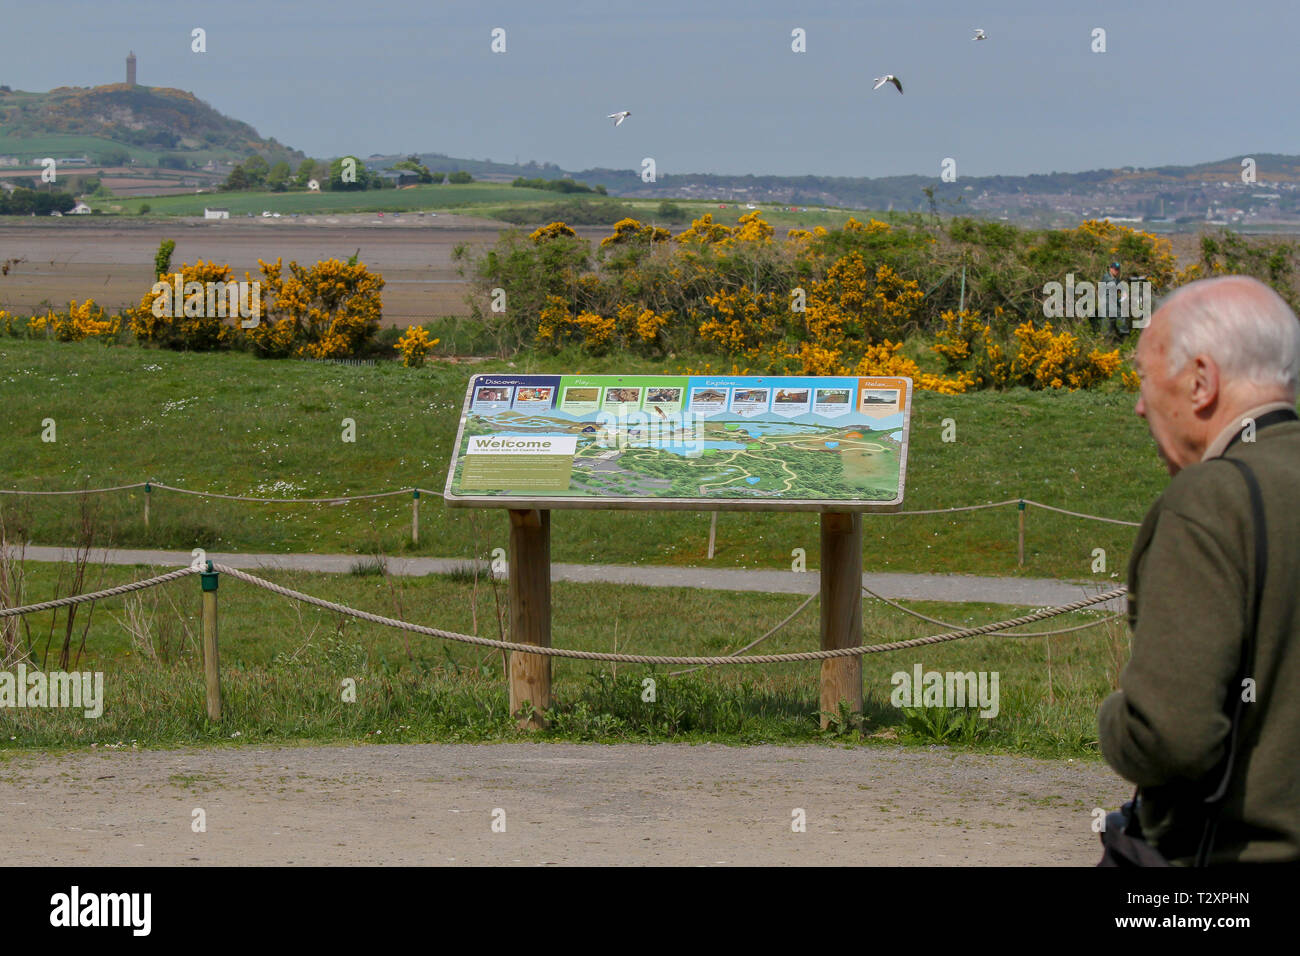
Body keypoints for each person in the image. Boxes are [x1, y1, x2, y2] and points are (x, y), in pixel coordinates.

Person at [1099, 274, 1300, 864]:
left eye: (1143, 377)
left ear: (1201, 381)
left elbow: (1170, 735)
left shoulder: (1213, 498)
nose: (1139, 405)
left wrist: (1114, 717)